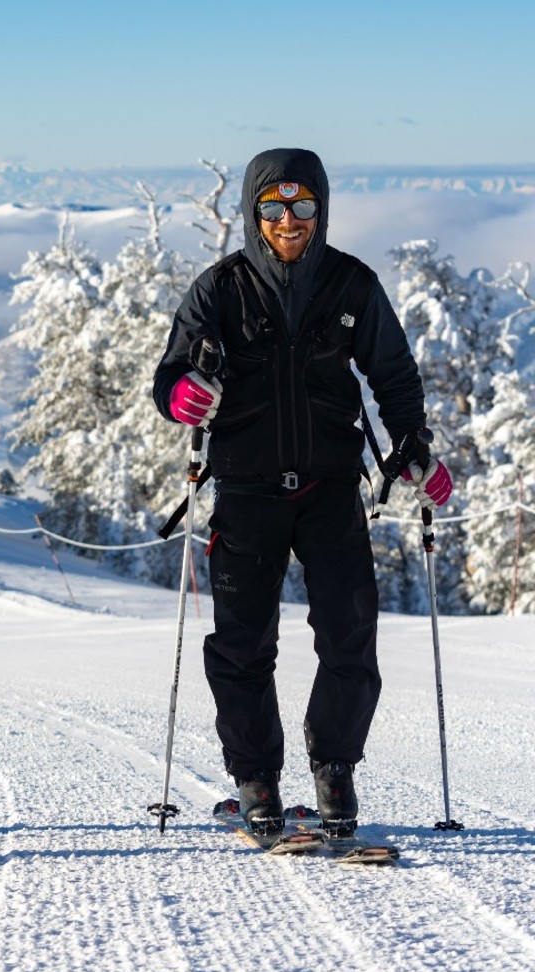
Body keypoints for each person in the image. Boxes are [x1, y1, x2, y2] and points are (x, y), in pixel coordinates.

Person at [153, 148, 453, 838]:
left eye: (303, 206)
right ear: (253, 213)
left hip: (330, 488)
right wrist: (181, 396)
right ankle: (256, 779)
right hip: (247, 490)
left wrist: (412, 445)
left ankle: (334, 772)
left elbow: (395, 377)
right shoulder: (219, 289)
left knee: (350, 636)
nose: (289, 221)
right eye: (273, 208)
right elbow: (170, 374)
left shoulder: (352, 284)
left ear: (321, 208)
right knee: (242, 644)